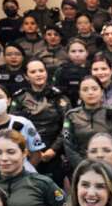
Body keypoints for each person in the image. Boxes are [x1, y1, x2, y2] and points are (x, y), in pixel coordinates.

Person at [9, 58, 70, 186]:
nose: (38, 74)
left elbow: (67, 126)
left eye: (41, 70)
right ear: (26, 76)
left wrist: (53, 150)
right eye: (33, 71)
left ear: (47, 73)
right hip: (27, 151)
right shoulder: (20, 97)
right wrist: (29, 150)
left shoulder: (58, 96)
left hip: (54, 150)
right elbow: (13, 127)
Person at [62, 76, 112, 169]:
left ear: (101, 91)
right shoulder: (71, 115)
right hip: (82, 167)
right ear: (80, 94)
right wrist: (83, 167)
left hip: (111, 166)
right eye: (85, 90)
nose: (90, 93)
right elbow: (69, 145)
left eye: (94, 89)